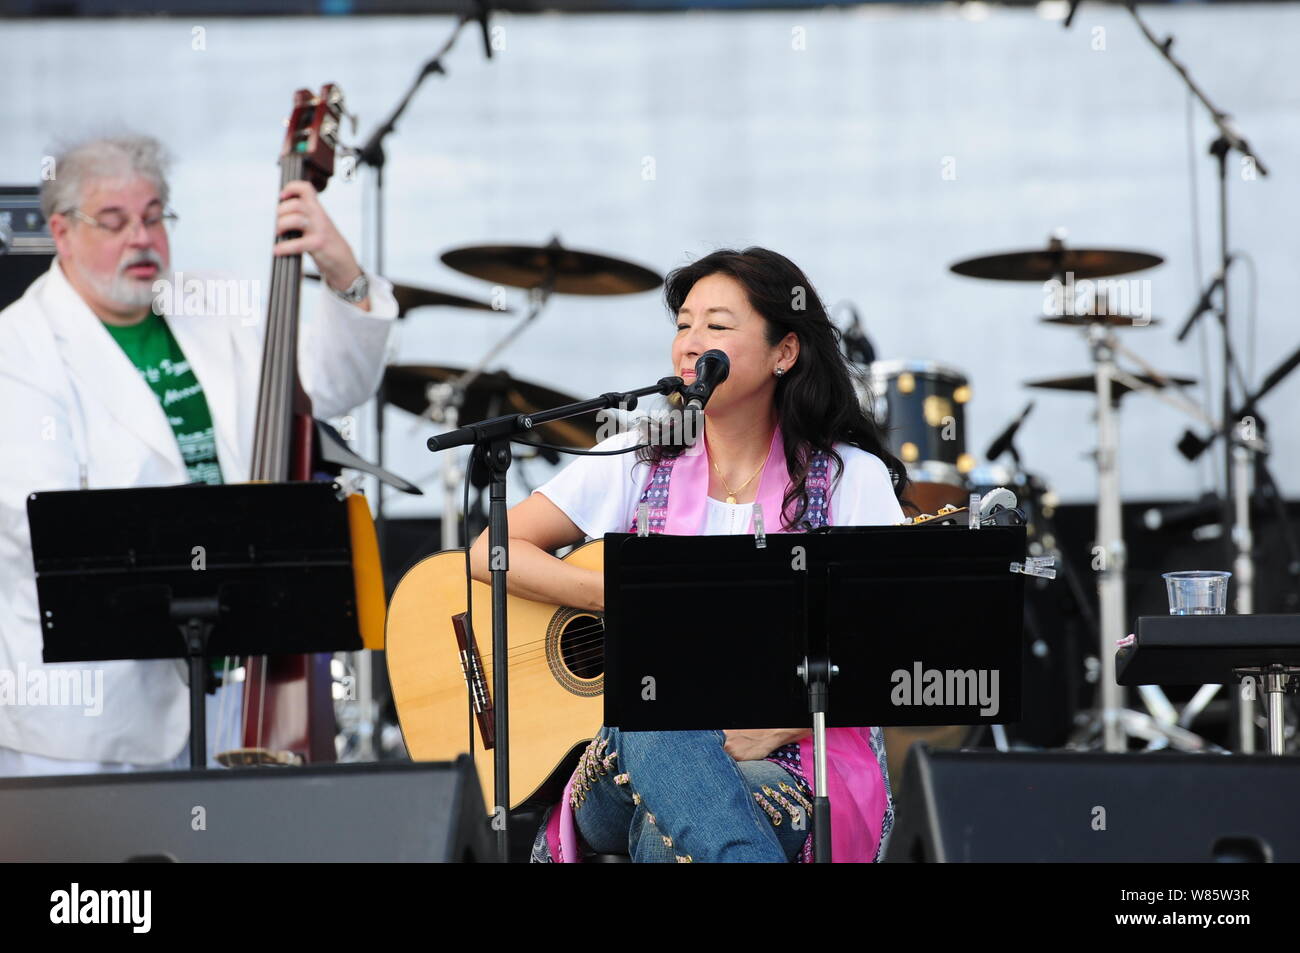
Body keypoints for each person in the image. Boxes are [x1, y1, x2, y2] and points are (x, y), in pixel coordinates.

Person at [469, 246, 909, 862]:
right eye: (683, 325)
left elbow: (893, 642)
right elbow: (492, 550)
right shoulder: (635, 455)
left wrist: (778, 727)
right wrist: (627, 598)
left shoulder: (847, 478)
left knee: (666, 833)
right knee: (657, 708)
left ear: (785, 352)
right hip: (625, 756)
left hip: (792, 761)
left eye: (718, 325)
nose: (691, 341)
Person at [0, 133, 397, 776]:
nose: (142, 237)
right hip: (88, 720)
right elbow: (37, 520)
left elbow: (338, 384)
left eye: (155, 217)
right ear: (62, 231)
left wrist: (341, 271)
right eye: (116, 221)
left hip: (231, 692)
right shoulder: (18, 347)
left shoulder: (211, 304)